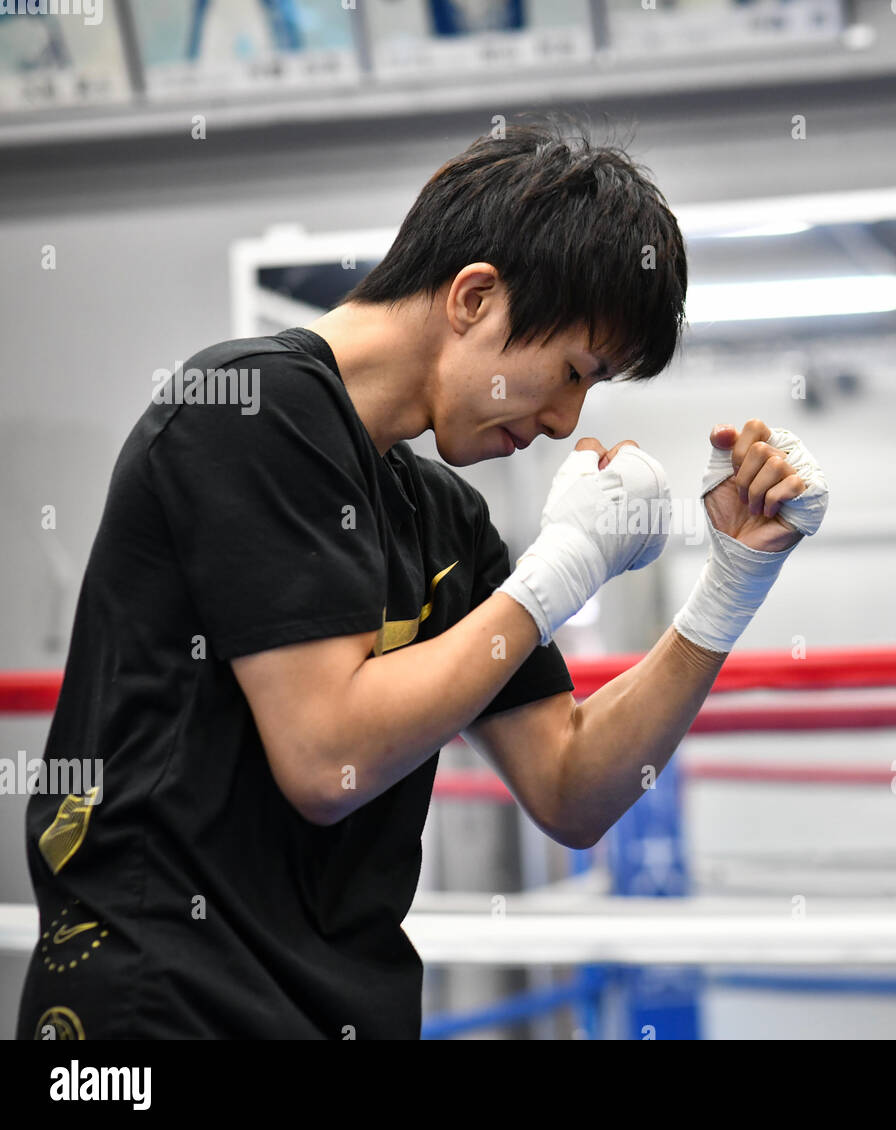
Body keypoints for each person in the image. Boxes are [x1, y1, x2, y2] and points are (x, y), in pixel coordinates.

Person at [16, 117, 829, 1040]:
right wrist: (565, 566)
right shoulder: (245, 410)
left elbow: (570, 789)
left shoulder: (444, 515)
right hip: (163, 1008)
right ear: (475, 296)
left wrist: (733, 582)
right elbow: (327, 759)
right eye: (571, 371)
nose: (567, 421)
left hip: (339, 1008)